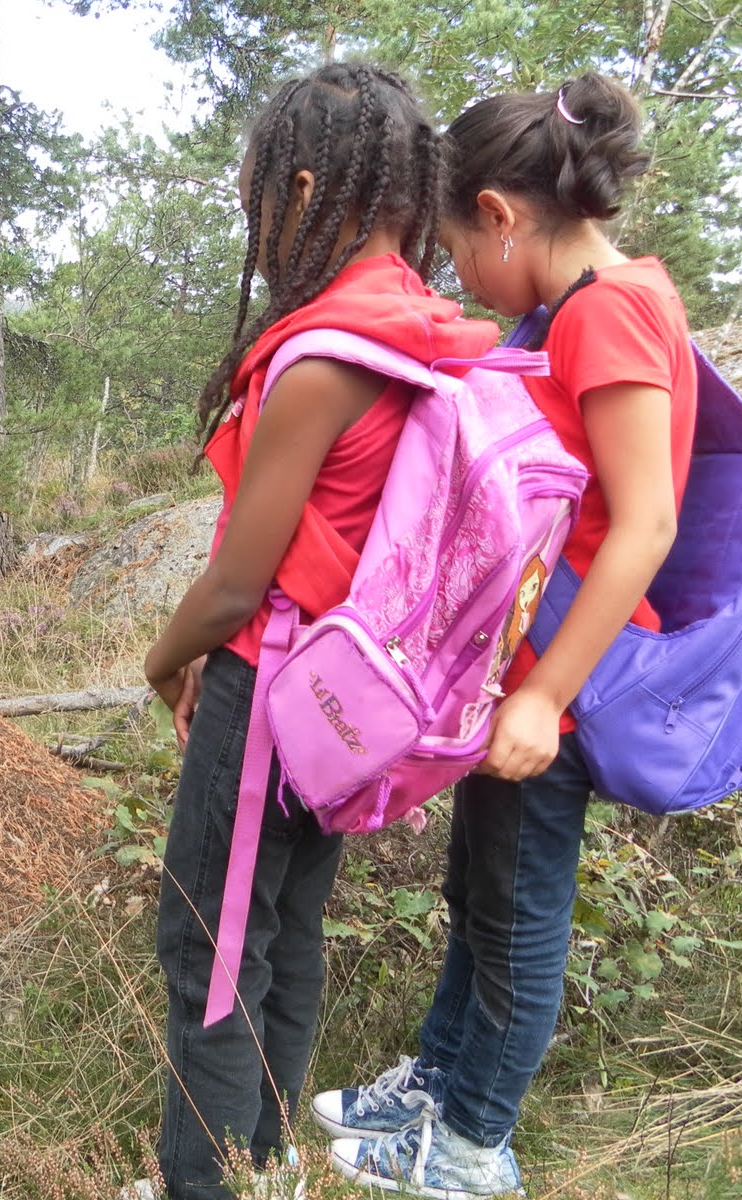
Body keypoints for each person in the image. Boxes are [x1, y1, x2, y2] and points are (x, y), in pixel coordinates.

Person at [316, 74, 697, 1198]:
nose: (462, 278)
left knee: (521, 919)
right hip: (519, 673)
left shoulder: (611, 309)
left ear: (499, 212)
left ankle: (472, 1146)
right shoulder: (584, 305)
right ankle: (440, 1081)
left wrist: (541, 699)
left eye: (456, 251)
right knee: (478, 896)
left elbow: (646, 521)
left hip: (561, 685)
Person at [134, 62, 506, 1200]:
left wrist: (162, 660)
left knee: (208, 943)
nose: (254, 227)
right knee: (289, 920)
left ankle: (201, 1181)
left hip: (270, 690)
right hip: (358, 696)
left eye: (257, 200)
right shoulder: (439, 331)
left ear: (303, 189)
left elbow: (239, 584)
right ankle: (266, 1155)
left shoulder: (322, 353)